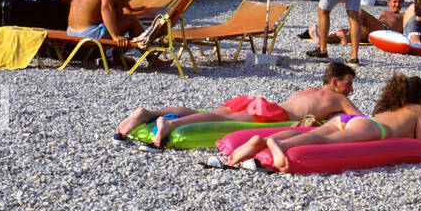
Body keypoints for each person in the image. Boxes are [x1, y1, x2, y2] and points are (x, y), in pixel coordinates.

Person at [228, 72, 421, 171]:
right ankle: (280, 145)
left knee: (310, 134)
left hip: (349, 120)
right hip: (369, 128)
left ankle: (264, 140)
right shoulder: (418, 110)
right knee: (329, 142)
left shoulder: (392, 108)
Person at [114, 62, 359, 147]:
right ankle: (167, 123)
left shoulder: (310, 90)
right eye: (348, 84)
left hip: (257, 102)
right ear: (335, 82)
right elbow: (360, 120)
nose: (351, 90)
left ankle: (148, 113)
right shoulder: (338, 98)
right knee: (220, 120)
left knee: (210, 112)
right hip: (274, 114)